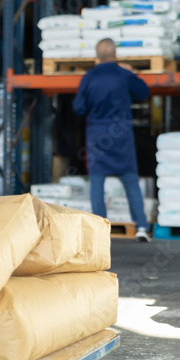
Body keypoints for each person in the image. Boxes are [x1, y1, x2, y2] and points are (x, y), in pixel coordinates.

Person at [72, 38, 152, 243]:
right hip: (121, 135)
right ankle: (141, 226)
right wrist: (131, 71)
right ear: (116, 54)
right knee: (130, 180)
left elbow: (79, 108)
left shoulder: (89, 78)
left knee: (97, 182)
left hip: (97, 135)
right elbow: (144, 92)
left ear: (97, 56)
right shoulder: (124, 75)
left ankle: (100, 230)